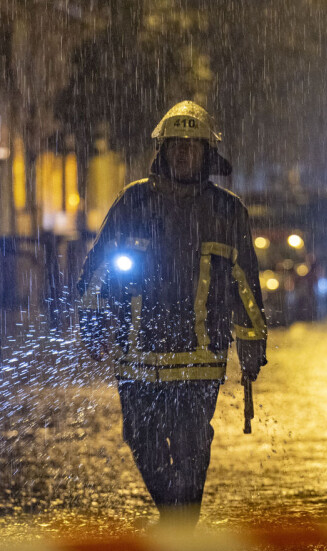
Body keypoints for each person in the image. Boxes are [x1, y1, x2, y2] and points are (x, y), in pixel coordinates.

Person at [76, 101, 267, 528]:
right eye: (175, 145)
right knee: (142, 440)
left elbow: (245, 284)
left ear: (206, 154)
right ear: (162, 151)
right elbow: (98, 269)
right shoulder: (133, 202)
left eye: (192, 146)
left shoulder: (227, 211)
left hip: (201, 358)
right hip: (138, 355)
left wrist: (252, 342)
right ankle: (173, 514)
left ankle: (182, 526)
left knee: (191, 444)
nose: (183, 153)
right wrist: (91, 322)